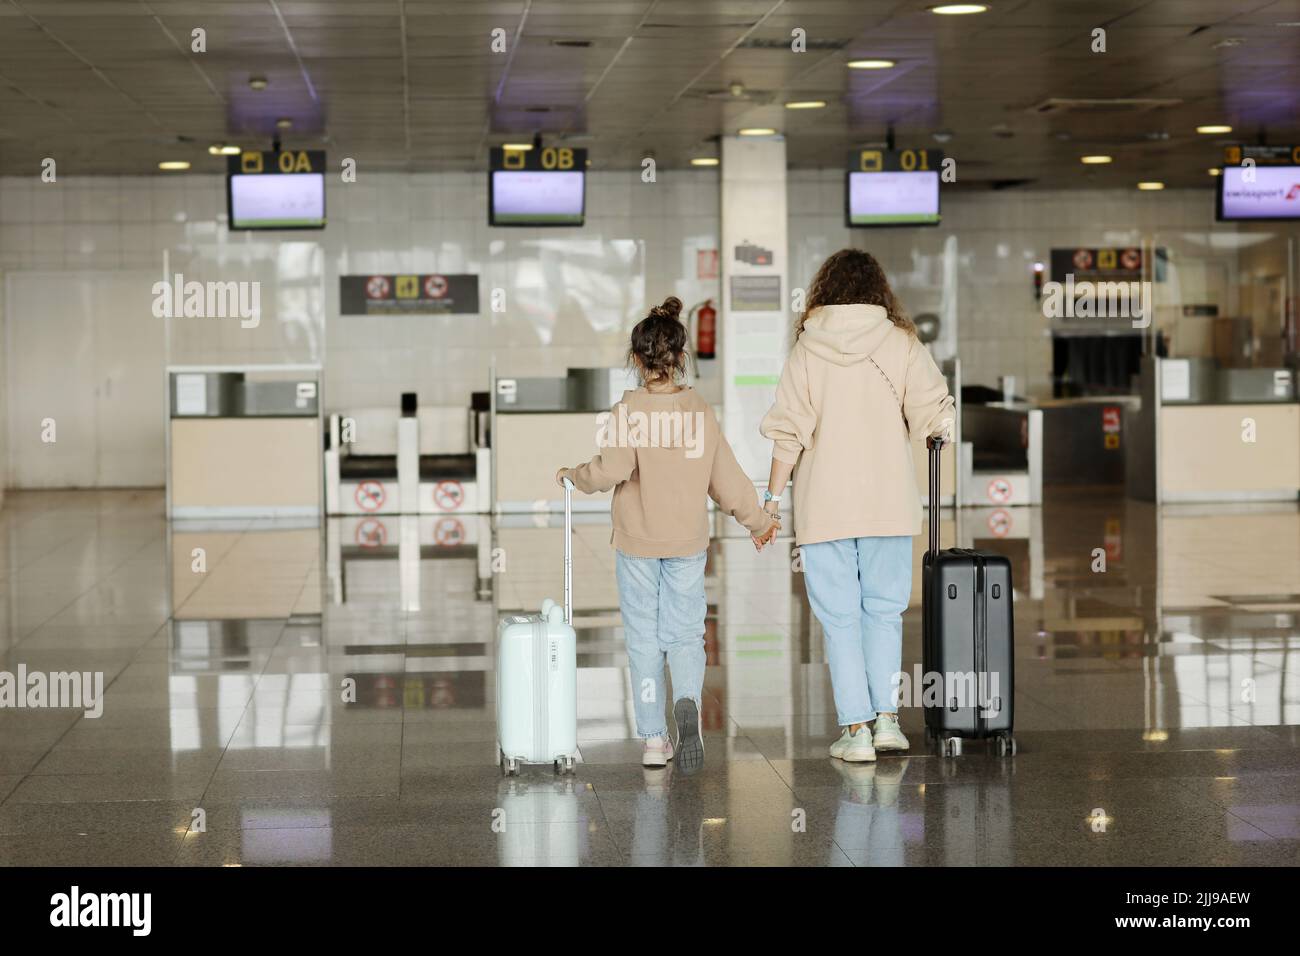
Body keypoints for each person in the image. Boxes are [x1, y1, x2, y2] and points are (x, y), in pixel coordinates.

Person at [557, 296, 780, 774]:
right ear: (681, 358)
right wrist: (759, 522)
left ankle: (655, 740)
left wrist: (576, 475)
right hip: (686, 542)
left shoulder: (629, 410)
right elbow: (728, 479)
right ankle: (686, 704)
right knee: (685, 634)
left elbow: (611, 469)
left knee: (642, 639)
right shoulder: (700, 410)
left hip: (638, 541)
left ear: (637, 361)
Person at [760, 250, 954, 762]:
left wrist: (771, 499)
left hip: (825, 508)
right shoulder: (902, 343)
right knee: (884, 614)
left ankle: (856, 731)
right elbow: (935, 414)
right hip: (888, 503)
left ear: (823, 290)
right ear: (879, 290)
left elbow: (788, 434)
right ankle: (888, 721)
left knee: (840, 620)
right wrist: (939, 426)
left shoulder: (807, 349)